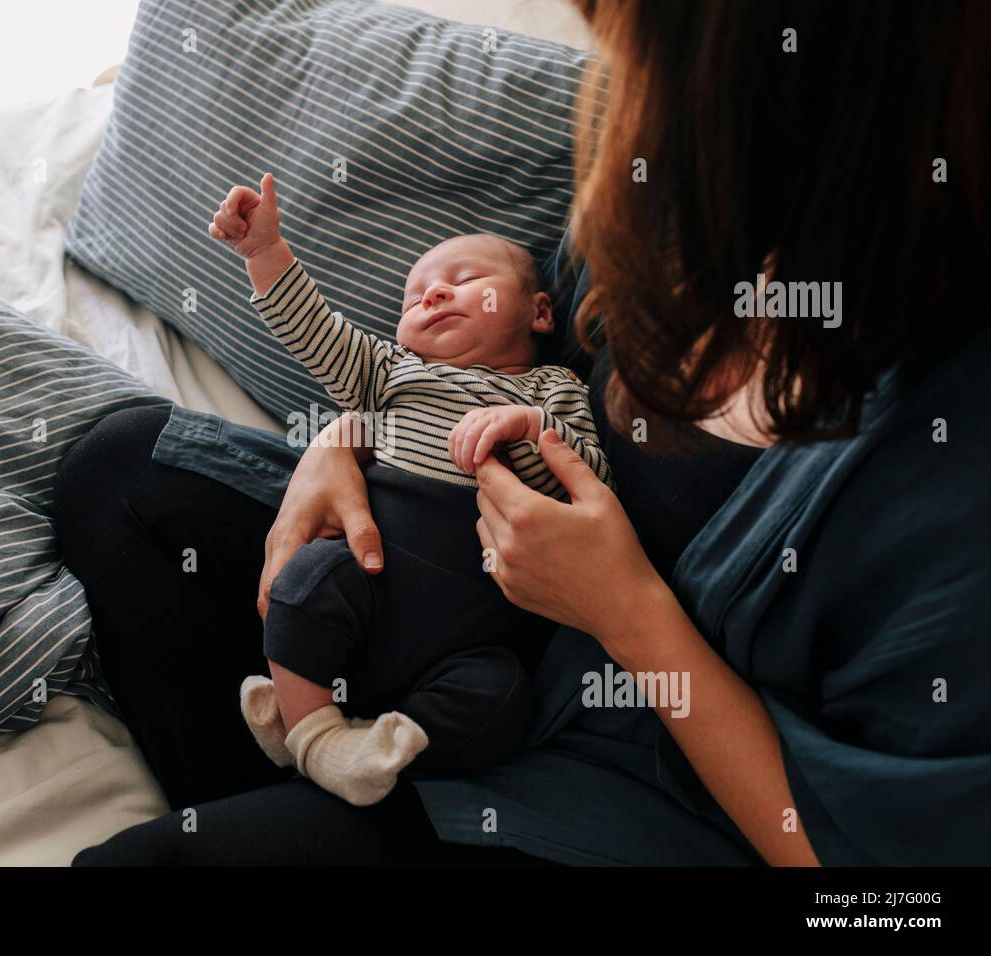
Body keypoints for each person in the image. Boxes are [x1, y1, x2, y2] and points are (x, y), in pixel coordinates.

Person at [54, 0, 990, 865]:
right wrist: (347, 440)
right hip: (437, 574)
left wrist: (625, 611)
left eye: (646, 62)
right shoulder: (668, 183)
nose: (622, 91)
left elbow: (884, 899)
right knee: (122, 476)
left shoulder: (947, 471)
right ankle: (318, 767)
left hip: (638, 770)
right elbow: (495, 382)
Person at [205, 174, 612, 807]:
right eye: (415, 296)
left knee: (504, 699)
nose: (437, 293)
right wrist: (264, 253)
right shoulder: (395, 374)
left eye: (468, 279)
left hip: (472, 629)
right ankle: (314, 734)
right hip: (367, 582)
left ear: (538, 311)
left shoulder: (553, 390)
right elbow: (316, 331)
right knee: (304, 583)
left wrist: (531, 428)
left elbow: (593, 477)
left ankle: (365, 741)